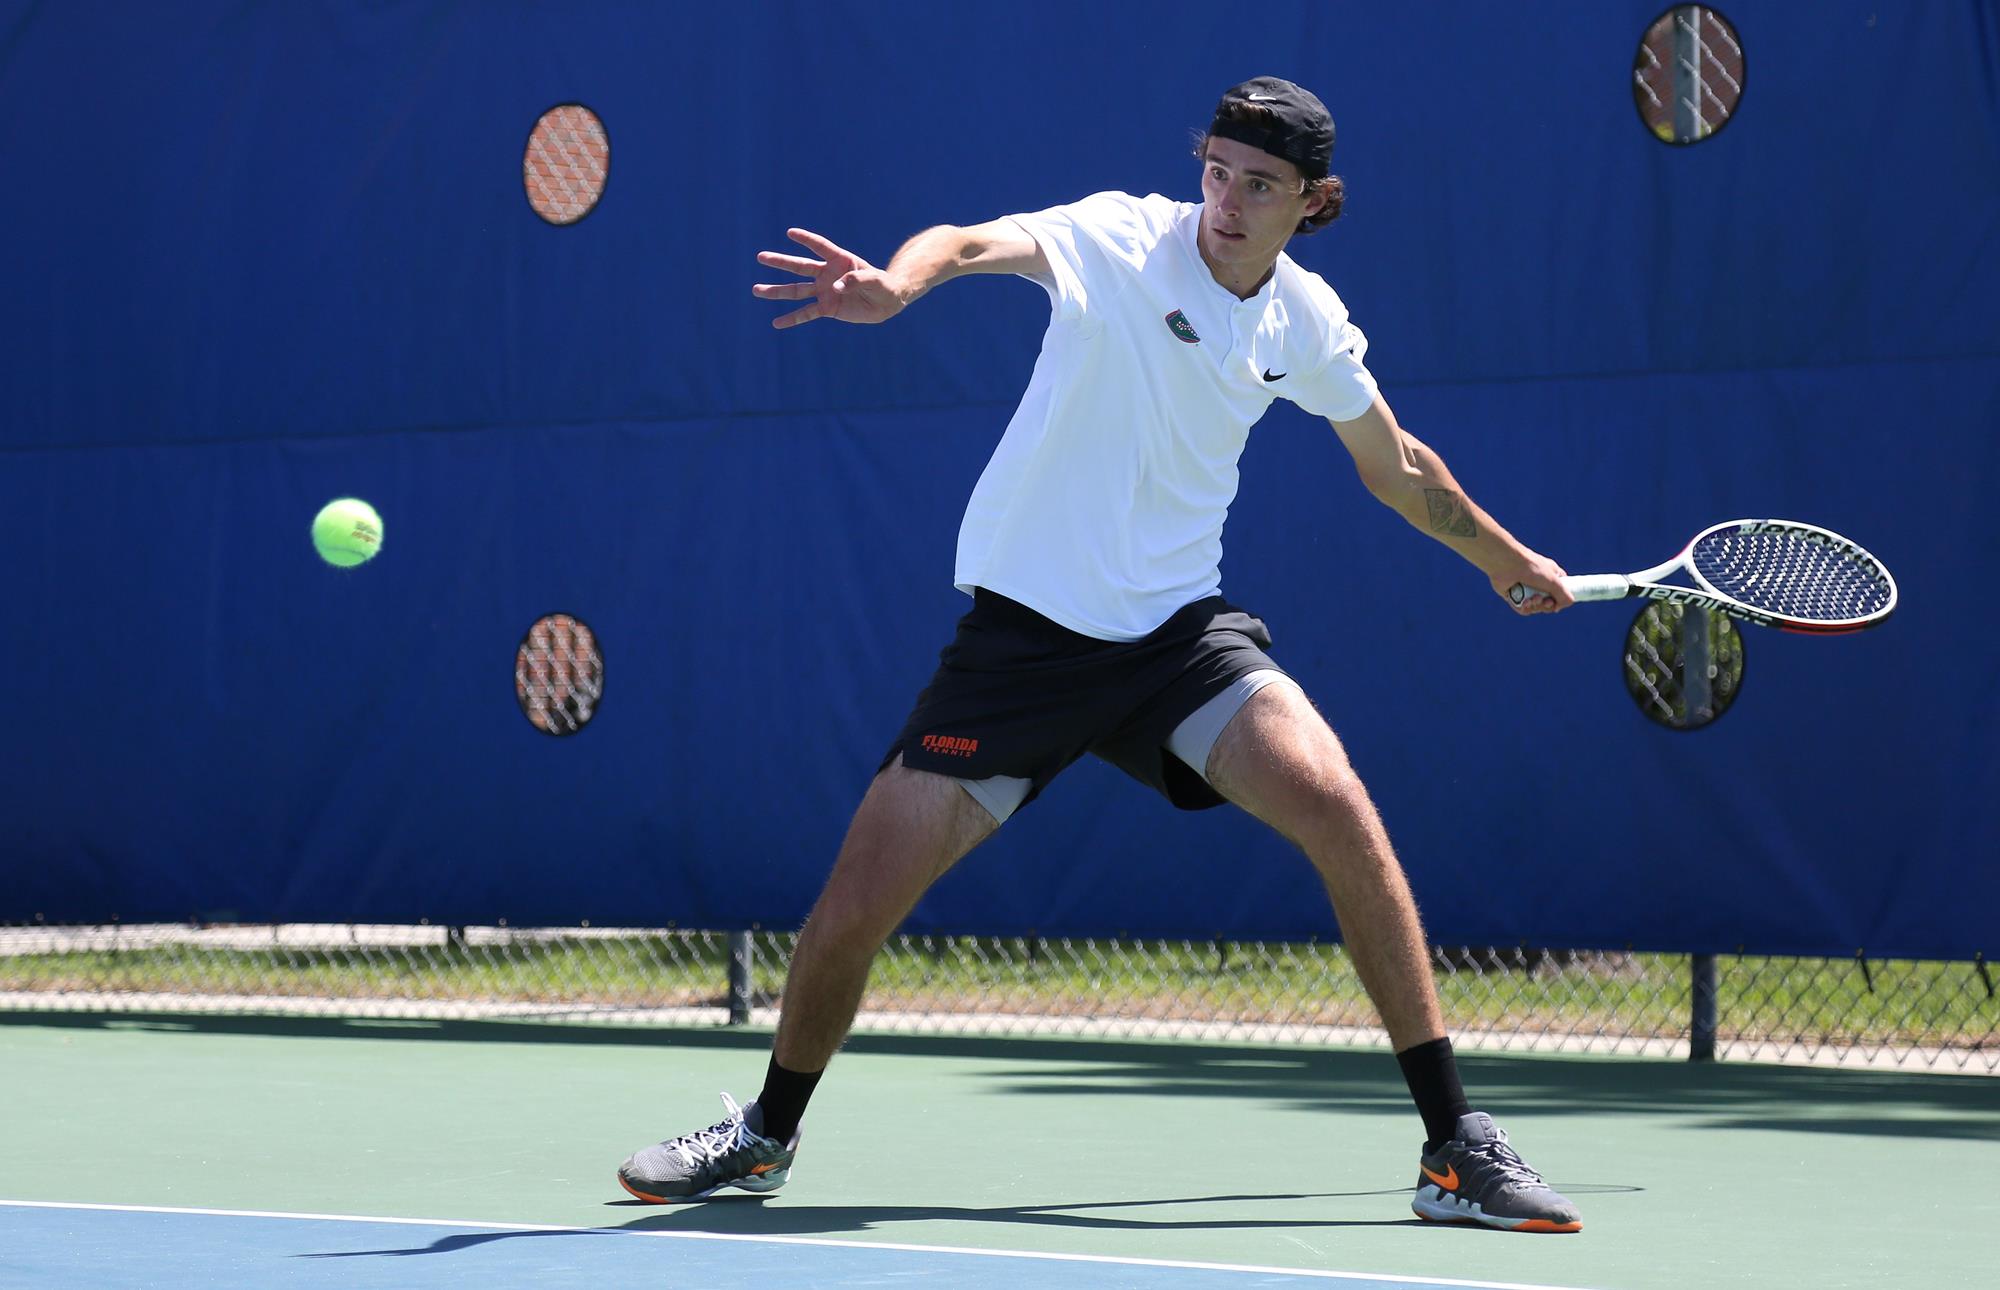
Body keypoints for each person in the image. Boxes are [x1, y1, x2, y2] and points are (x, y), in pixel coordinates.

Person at [619, 76, 1582, 1234]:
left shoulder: (1303, 322)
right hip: (1021, 647)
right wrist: (897, 284)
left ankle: (1452, 1146)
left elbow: (1397, 466)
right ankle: (766, 1134)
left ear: (1312, 201)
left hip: (1177, 639)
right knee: (855, 908)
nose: (1224, 200)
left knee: (1335, 802)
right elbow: (973, 241)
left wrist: (1503, 557)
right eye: (1216, 169)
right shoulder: (1118, 237)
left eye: (1258, 184)